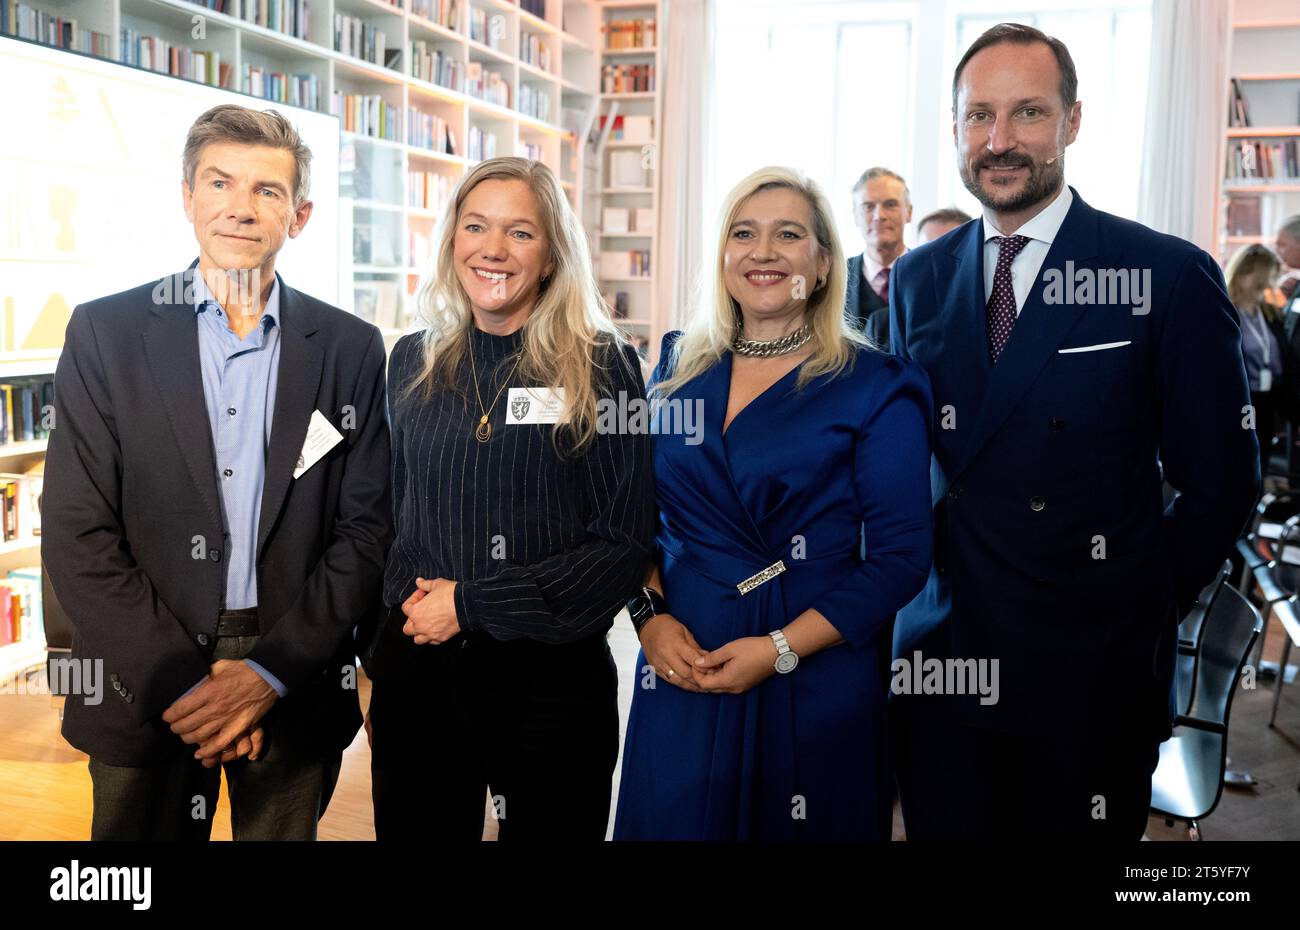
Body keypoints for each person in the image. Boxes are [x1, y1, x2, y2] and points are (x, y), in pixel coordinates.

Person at [889, 23, 1259, 840]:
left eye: (1027, 112)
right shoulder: (918, 279)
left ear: (1073, 121)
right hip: (942, 668)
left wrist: (1138, 596)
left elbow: (1223, 480)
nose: (999, 140)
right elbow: (906, 464)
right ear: (955, 127)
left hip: (1090, 677)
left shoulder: (1163, 273)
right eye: (979, 115)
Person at [42, 104, 392, 840]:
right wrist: (184, 684)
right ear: (187, 198)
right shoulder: (106, 333)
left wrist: (266, 676)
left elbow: (365, 531)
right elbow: (77, 531)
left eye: (267, 190)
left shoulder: (350, 347)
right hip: (143, 668)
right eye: (220, 182)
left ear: (299, 216)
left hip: (294, 668)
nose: (240, 207)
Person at [614, 166, 933, 840]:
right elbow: (633, 521)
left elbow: (901, 560)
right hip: (680, 663)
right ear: (722, 254)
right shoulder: (676, 365)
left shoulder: (878, 384)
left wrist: (780, 649)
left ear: (823, 263)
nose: (763, 252)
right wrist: (648, 619)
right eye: (743, 233)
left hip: (811, 671)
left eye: (788, 235)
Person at [366, 157, 654, 841]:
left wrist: (470, 605)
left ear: (552, 256)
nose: (492, 249)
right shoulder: (411, 359)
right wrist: (378, 664)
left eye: (520, 232)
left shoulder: (603, 366)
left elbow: (623, 542)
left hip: (550, 680)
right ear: (451, 241)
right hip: (421, 668)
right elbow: (394, 521)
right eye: (476, 227)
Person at [1226, 244, 1290, 480]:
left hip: (1267, 403)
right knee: (1235, 467)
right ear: (1243, 274)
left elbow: (1285, 363)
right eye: (1261, 282)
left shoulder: (1271, 313)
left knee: (1259, 466)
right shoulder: (1225, 313)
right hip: (1238, 402)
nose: (1267, 287)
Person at [846, 167, 911, 346]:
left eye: (890, 204)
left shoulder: (931, 274)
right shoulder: (833, 278)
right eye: (868, 206)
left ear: (909, 212)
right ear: (855, 215)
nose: (879, 216)